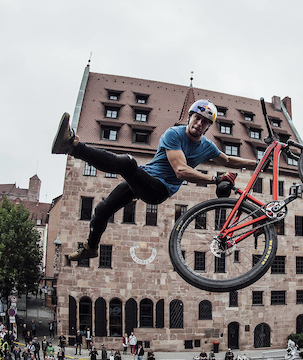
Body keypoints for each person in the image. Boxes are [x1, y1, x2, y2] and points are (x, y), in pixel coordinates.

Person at [52, 100, 256, 262]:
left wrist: (257, 163)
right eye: (197, 118)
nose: (199, 124)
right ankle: (91, 248)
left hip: (158, 189)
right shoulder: (173, 134)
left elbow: (228, 160)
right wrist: (215, 179)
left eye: (204, 122)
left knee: (127, 164)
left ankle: (72, 146)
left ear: (208, 127)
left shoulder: (207, 146)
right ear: (190, 117)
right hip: (144, 177)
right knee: (102, 209)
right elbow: (181, 170)